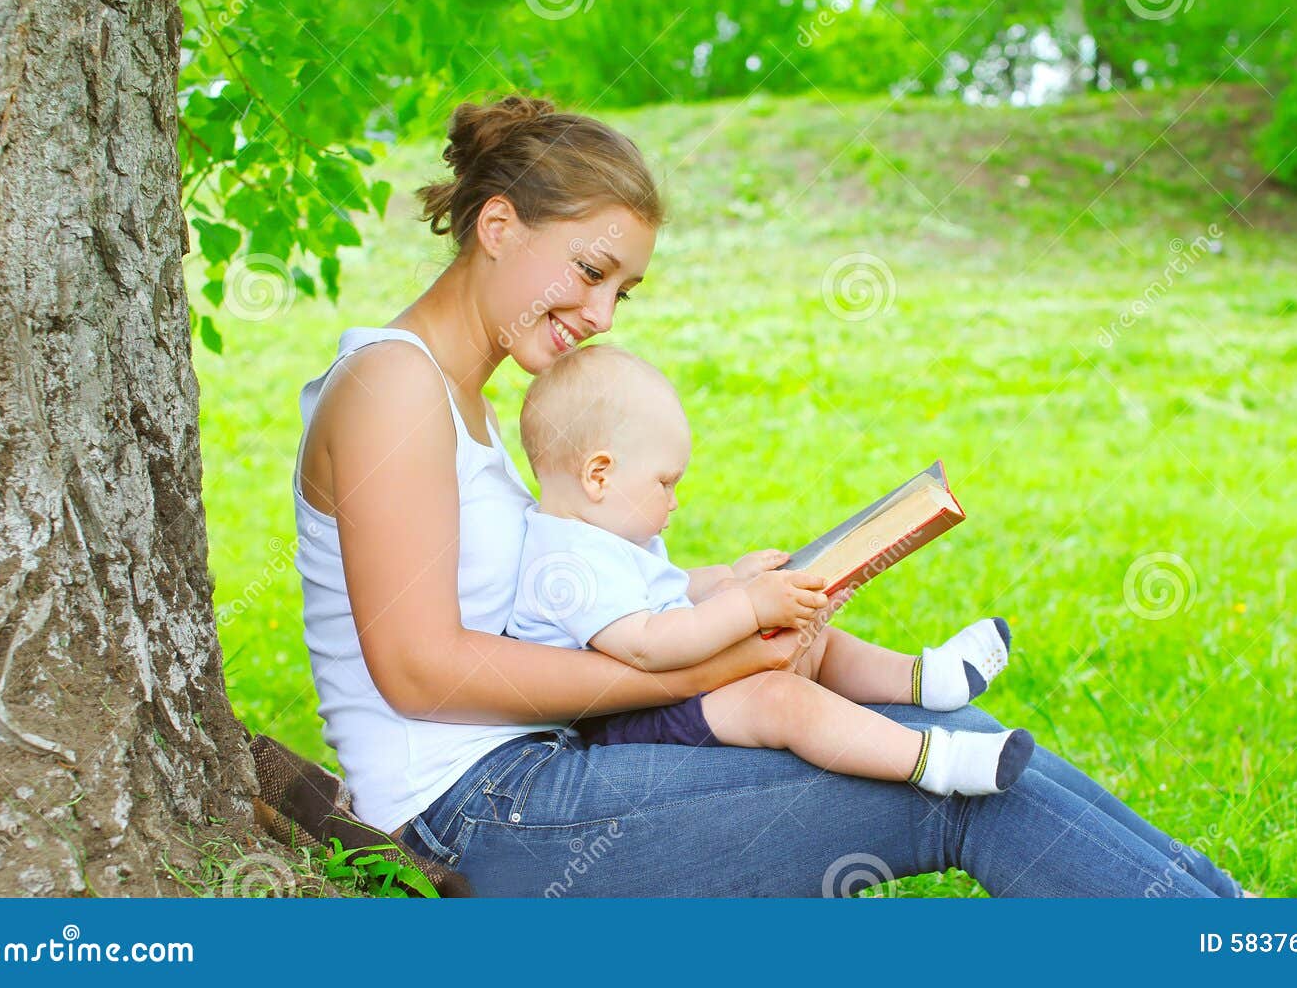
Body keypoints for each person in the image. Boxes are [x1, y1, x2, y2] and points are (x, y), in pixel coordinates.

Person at [291, 93, 1247, 897]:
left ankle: (1236, 918)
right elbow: (419, 672)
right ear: (497, 226)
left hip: (539, 776)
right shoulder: (391, 387)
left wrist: (714, 611)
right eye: (590, 271)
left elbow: (540, 618)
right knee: (947, 790)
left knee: (955, 733)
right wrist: (696, 673)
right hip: (475, 818)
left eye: (623, 291)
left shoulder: (472, 408)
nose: (600, 315)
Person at [506, 342, 1035, 796]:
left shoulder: (595, 535)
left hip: (662, 694)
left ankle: (926, 679)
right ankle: (938, 762)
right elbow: (648, 642)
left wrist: (729, 578)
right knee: (780, 700)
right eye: (665, 483)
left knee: (816, 643)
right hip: (626, 724)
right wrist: (749, 604)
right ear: (599, 475)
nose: (674, 502)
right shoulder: (564, 565)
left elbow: (661, 591)